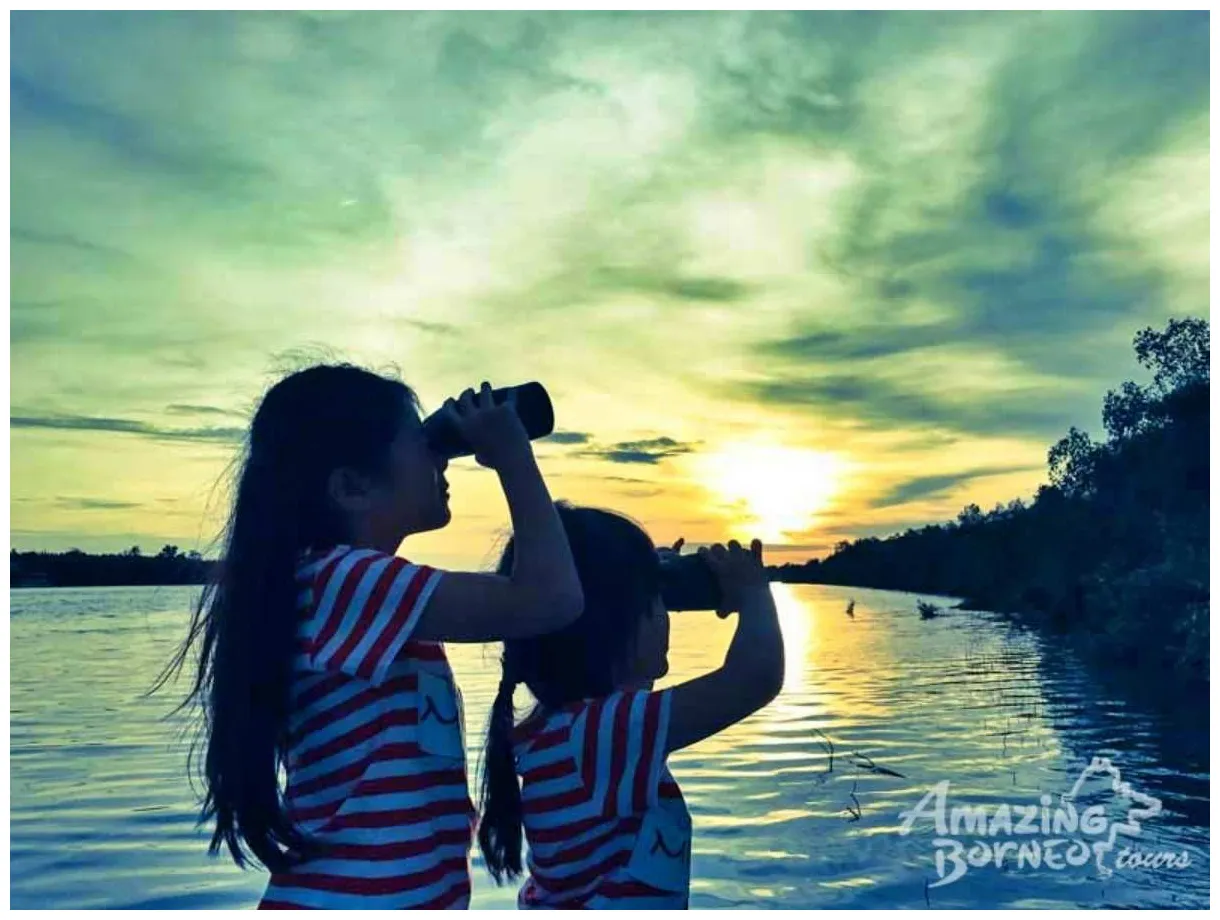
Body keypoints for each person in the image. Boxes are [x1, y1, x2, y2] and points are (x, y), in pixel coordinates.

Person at [161, 366, 583, 909]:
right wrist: (512, 456)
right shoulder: (342, 580)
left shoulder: (357, 593)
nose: (441, 456)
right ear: (351, 486)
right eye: (422, 440)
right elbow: (551, 599)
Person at [477, 503, 785, 909]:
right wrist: (754, 592)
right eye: (656, 603)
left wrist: (643, 575)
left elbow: (632, 676)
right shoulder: (600, 737)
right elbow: (755, 677)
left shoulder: (561, 732)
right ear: (614, 625)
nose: (666, 615)